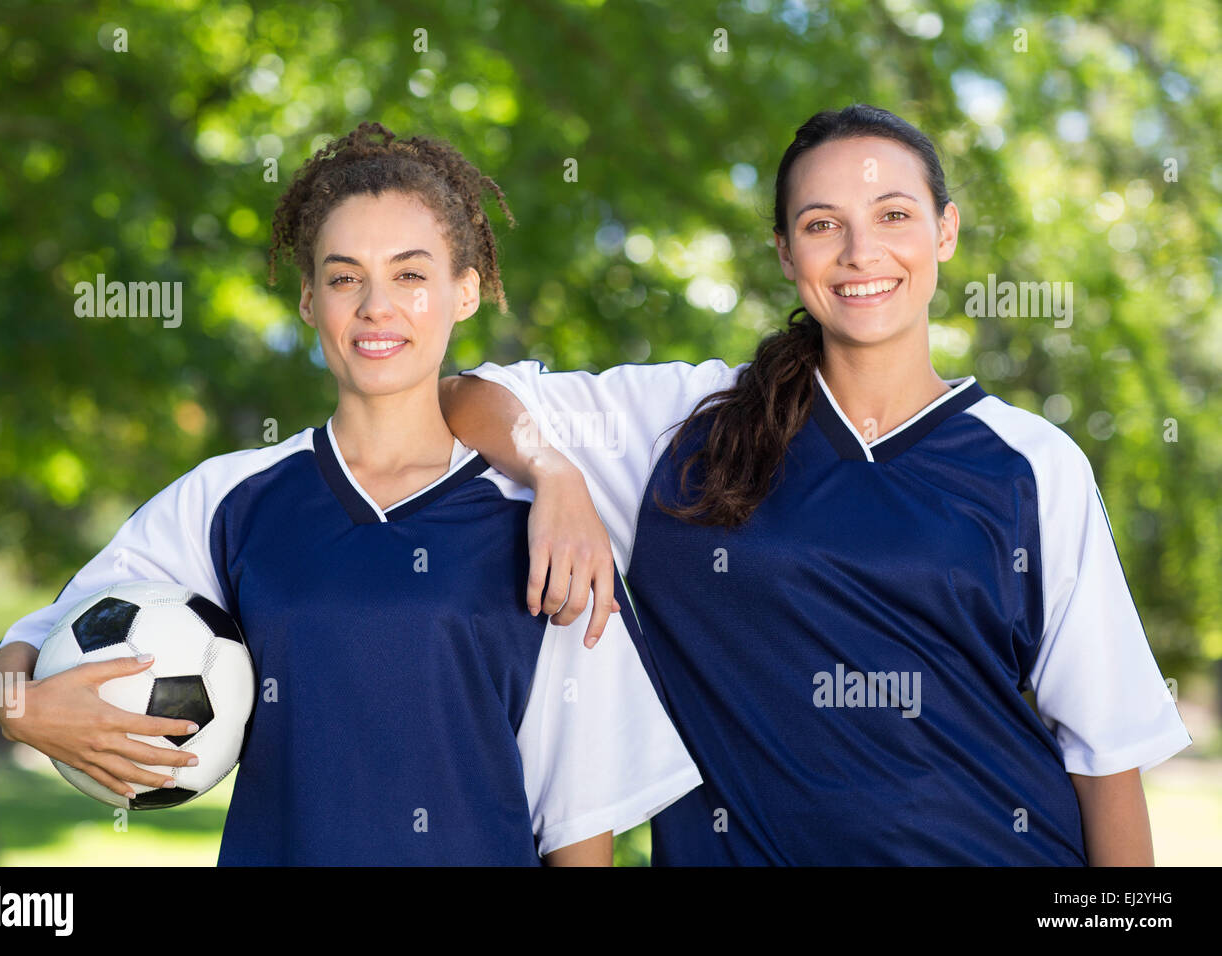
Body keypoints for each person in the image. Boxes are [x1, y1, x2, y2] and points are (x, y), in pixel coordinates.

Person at [439, 104, 1192, 865]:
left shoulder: (1033, 464)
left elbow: (1106, 761)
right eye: (823, 224)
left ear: (945, 232)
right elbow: (461, 397)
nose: (862, 252)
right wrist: (554, 471)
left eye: (894, 214)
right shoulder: (679, 426)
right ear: (785, 252)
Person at [0, 122, 701, 866]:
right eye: (343, 276)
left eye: (410, 275)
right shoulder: (228, 500)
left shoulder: (546, 531)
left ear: (465, 292)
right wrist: (18, 710)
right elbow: (38, 639)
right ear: (308, 302)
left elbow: (577, 816)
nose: (375, 306)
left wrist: (556, 476)